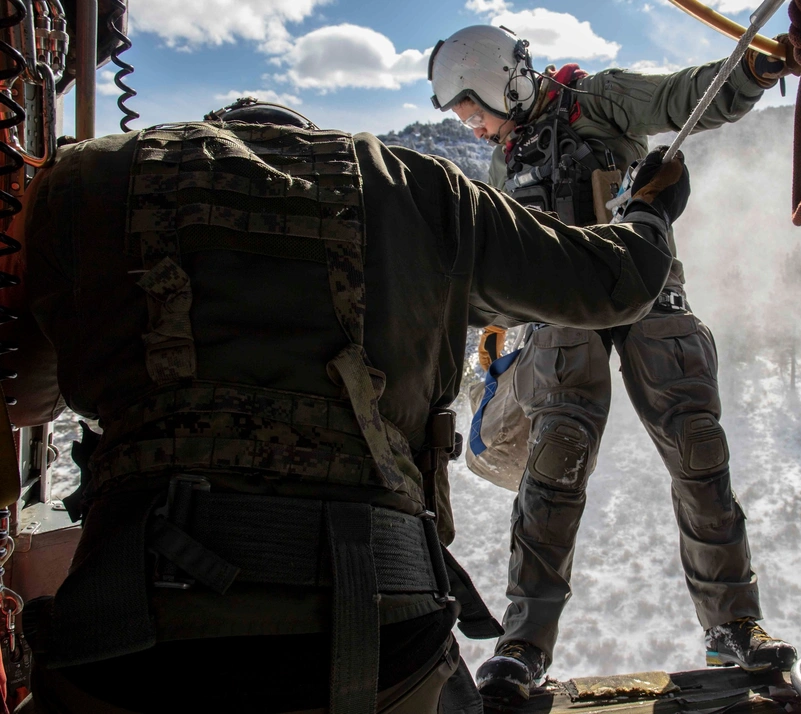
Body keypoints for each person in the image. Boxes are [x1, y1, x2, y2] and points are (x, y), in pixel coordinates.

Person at [18, 98, 688, 713]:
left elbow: (26, 397)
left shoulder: (86, 182)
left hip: (121, 645)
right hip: (379, 641)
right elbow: (615, 281)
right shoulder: (425, 191)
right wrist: (649, 208)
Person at [429, 25, 799, 703]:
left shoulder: (596, 102)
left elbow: (689, 97)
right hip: (561, 318)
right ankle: (524, 644)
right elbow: (509, 259)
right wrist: (496, 326)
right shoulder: (504, 166)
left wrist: (756, 67)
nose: (475, 129)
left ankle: (734, 625)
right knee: (556, 459)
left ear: (501, 81)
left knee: (698, 450)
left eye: (474, 112)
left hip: (650, 293)